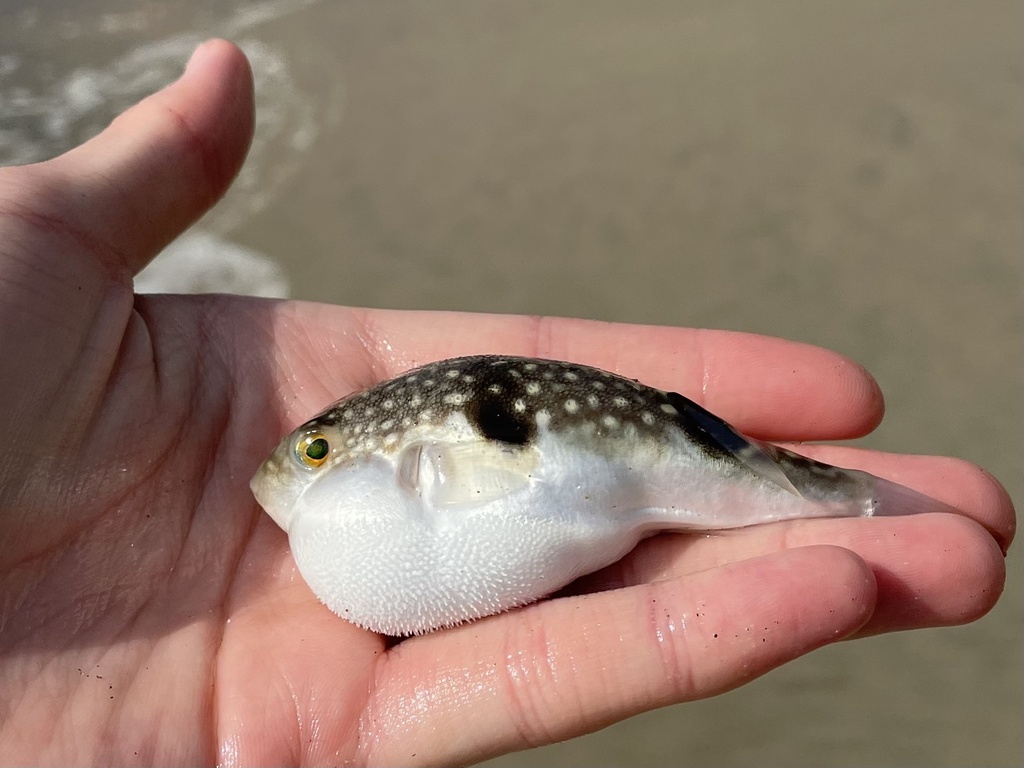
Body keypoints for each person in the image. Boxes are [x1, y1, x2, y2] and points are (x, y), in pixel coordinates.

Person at [0, 39, 1013, 766]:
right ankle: (841, 500)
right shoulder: (374, 490)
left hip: (600, 456)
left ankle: (840, 500)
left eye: (312, 455)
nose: (287, 475)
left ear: (373, 448)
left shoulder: (412, 461)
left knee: (809, 512)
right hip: (579, 469)